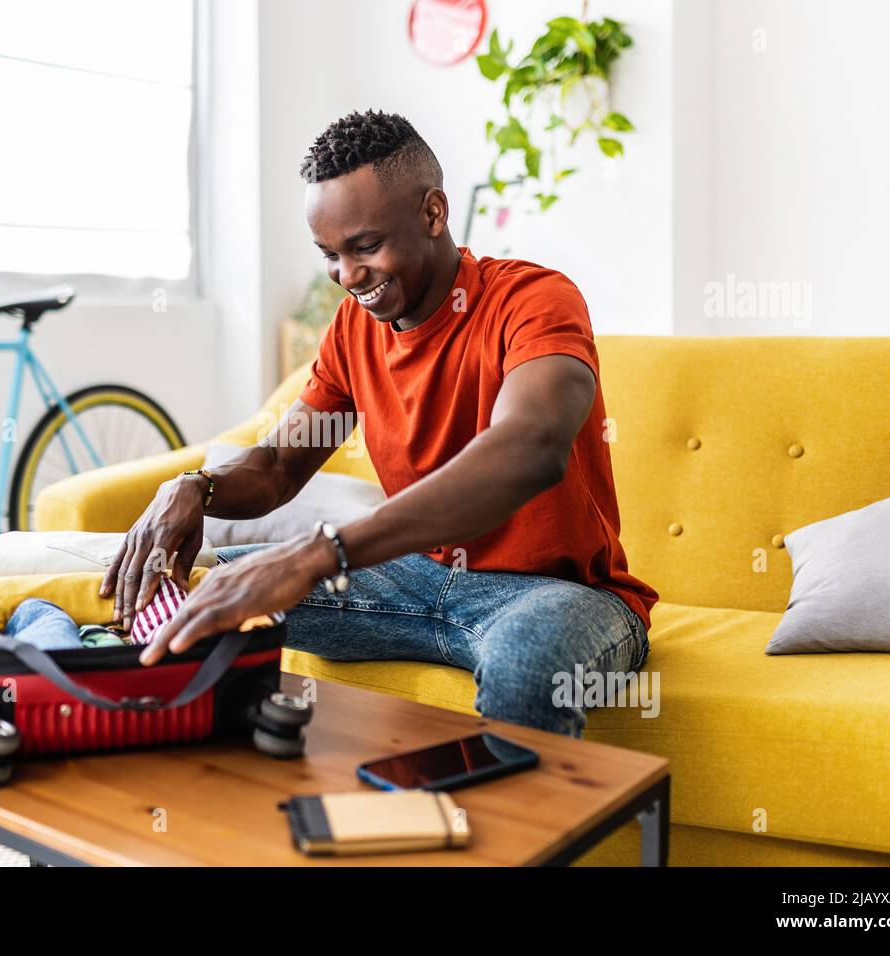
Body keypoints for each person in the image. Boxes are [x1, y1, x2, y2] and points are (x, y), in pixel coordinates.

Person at [99, 109, 658, 737]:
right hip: (412, 582)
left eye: (365, 247)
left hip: (560, 595)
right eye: (329, 255)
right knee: (191, 589)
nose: (346, 277)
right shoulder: (353, 331)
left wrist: (322, 552)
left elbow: (530, 448)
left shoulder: (534, 300)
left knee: (525, 666)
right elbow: (282, 465)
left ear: (433, 214)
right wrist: (195, 486)